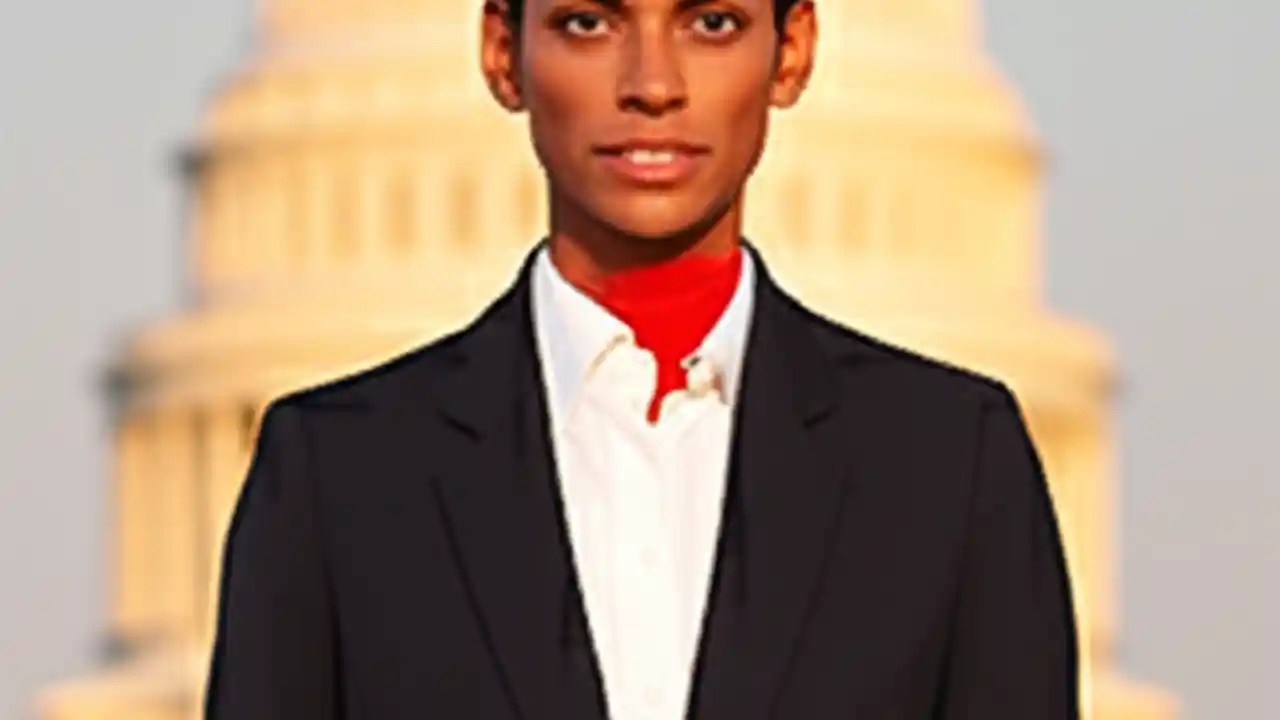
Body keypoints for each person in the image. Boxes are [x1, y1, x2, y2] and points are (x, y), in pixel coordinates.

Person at [203, 0, 1080, 716]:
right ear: (504, 52)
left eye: (712, 24)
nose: (653, 84)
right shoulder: (339, 479)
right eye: (589, 23)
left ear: (793, 50)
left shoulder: (948, 467)